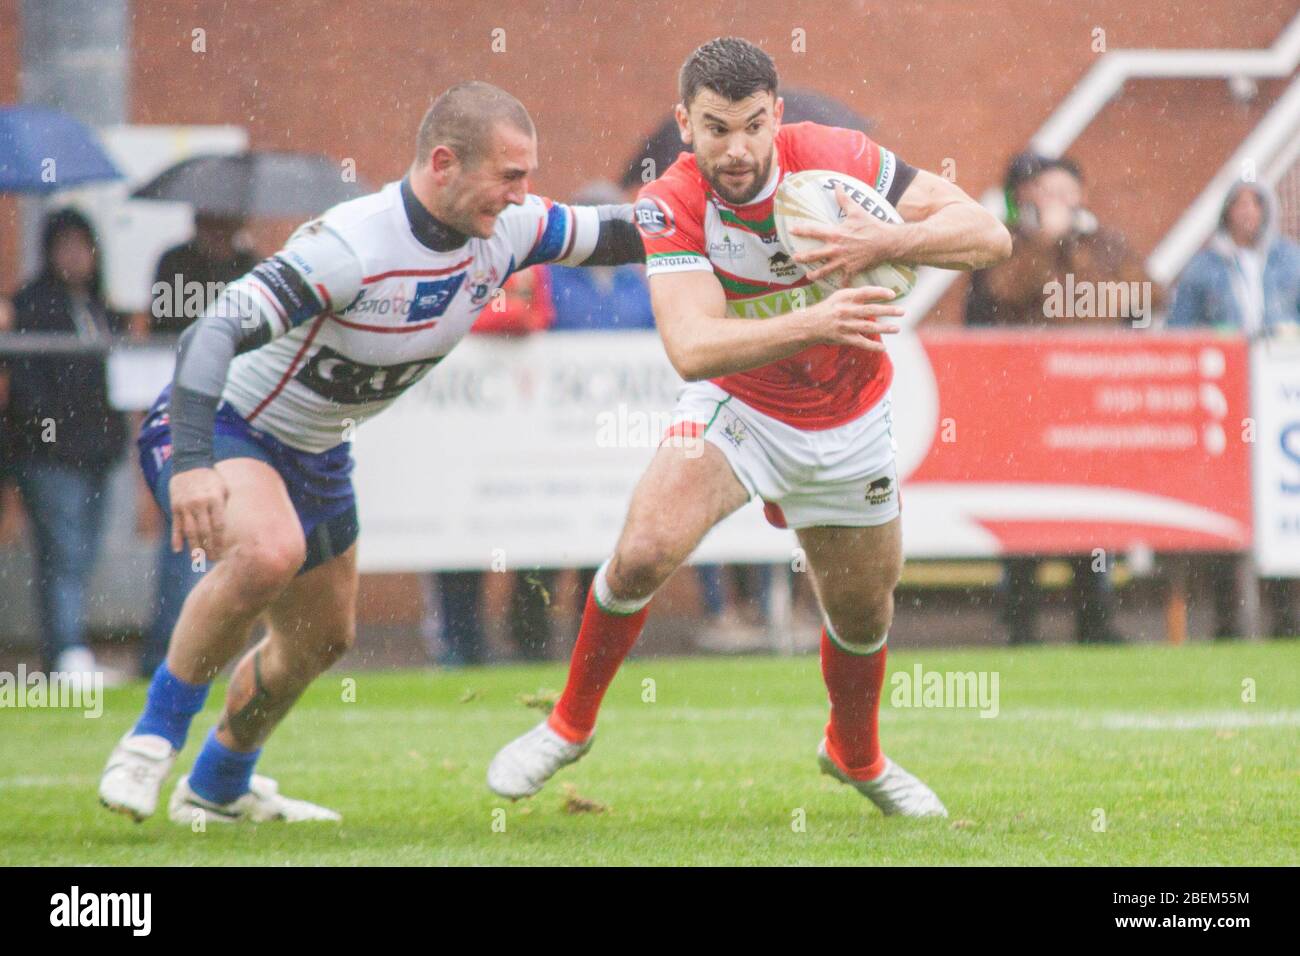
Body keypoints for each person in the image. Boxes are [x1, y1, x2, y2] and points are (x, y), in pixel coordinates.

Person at [488, 37, 1011, 817]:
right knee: (642, 552)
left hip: (851, 414)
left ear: (778, 118)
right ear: (684, 123)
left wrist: (887, 240)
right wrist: (816, 318)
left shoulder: (836, 158)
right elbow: (692, 349)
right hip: (739, 408)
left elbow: (990, 237)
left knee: (865, 613)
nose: (736, 149)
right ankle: (569, 724)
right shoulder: (673, 199)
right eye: (716, 128)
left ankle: (855, 754)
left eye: (753, 126)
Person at [97, 81, 644, 825]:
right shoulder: (352, 244)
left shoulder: (509, 228)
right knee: (266, 553)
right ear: (445, 164)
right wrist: (193, 461)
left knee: (322, 640)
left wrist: (734, 214)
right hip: (227, 422)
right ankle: (149, 741)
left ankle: (219, 785)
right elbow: (210, 333)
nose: (523, 196)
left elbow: (623, 232)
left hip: (315, 451)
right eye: (509, 176)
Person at [966, 152, 1155, 645]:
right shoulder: (1005, 243)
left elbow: (1148, 294)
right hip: (1024, 405)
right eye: (1048, 194)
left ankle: (1096, 618)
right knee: (1026, 513)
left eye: (1067, 194)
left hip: (1087, 404)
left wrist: (1081, 263)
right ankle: (1022, 622)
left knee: (1092, 515)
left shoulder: (1105, 243)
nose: (1059, 205)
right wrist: (1043, 244)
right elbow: (1003, 293)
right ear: (1026, 198)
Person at [1169, 179, 1300, 638]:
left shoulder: (1288, 260)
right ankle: (1229, 620)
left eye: (1254, 204)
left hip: (1282, 401)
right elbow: (1180, 330)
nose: (1248, 214)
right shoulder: (1205, 267)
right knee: (1229, 511)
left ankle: (1288, 618)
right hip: (1227, 404)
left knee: (1285, 512)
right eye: (1239, 205)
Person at [5, 209, 127, 676]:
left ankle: (71, 651)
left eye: (83, 246)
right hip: (52, 458)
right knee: (63, 555)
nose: (75, 257)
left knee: (84, 552)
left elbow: (118, 379)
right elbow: (28, 390)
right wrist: (53, 434)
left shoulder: (101, 309)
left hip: (99, 453)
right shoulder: (33, 306)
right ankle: (66, 654)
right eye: (65, 246)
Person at [140, 215, 260, 677]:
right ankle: (168, 656)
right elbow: (162, 337)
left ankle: (216, 657)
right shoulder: (177, 265)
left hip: (241, 416)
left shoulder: (252, 267)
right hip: (185, 413)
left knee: (243, 542)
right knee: (186, 542)